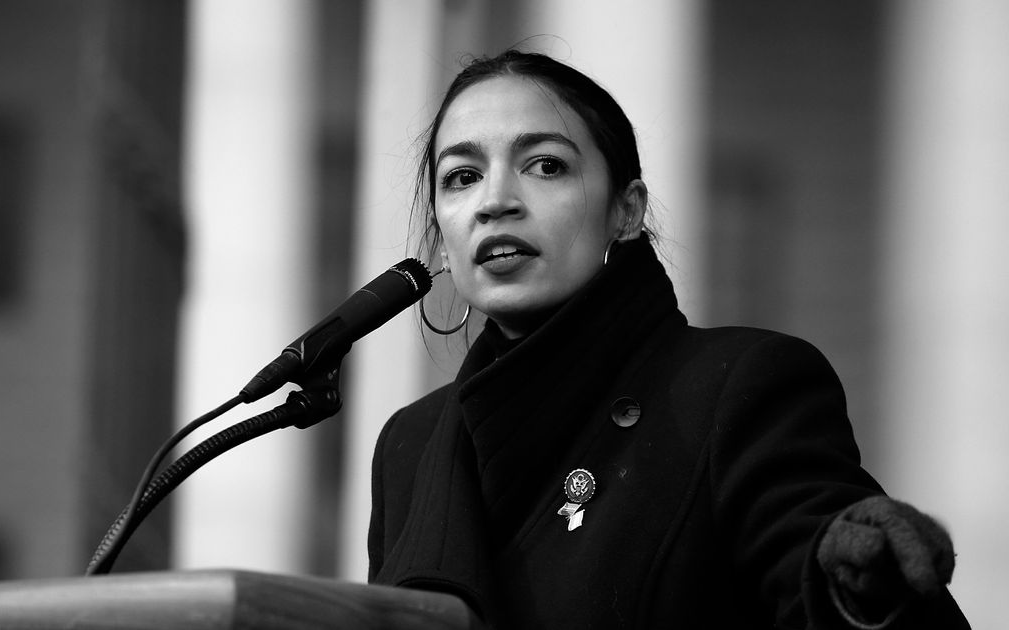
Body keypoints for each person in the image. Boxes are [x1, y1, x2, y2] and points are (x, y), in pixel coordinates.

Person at [366, 50, 968, 630]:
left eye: (546, 165)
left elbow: (810, 553)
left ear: (626, 211)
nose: (496, 202)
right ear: (442, 241)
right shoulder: (410, 445)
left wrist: (855, 586)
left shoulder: (738, 384)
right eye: (463, 176)